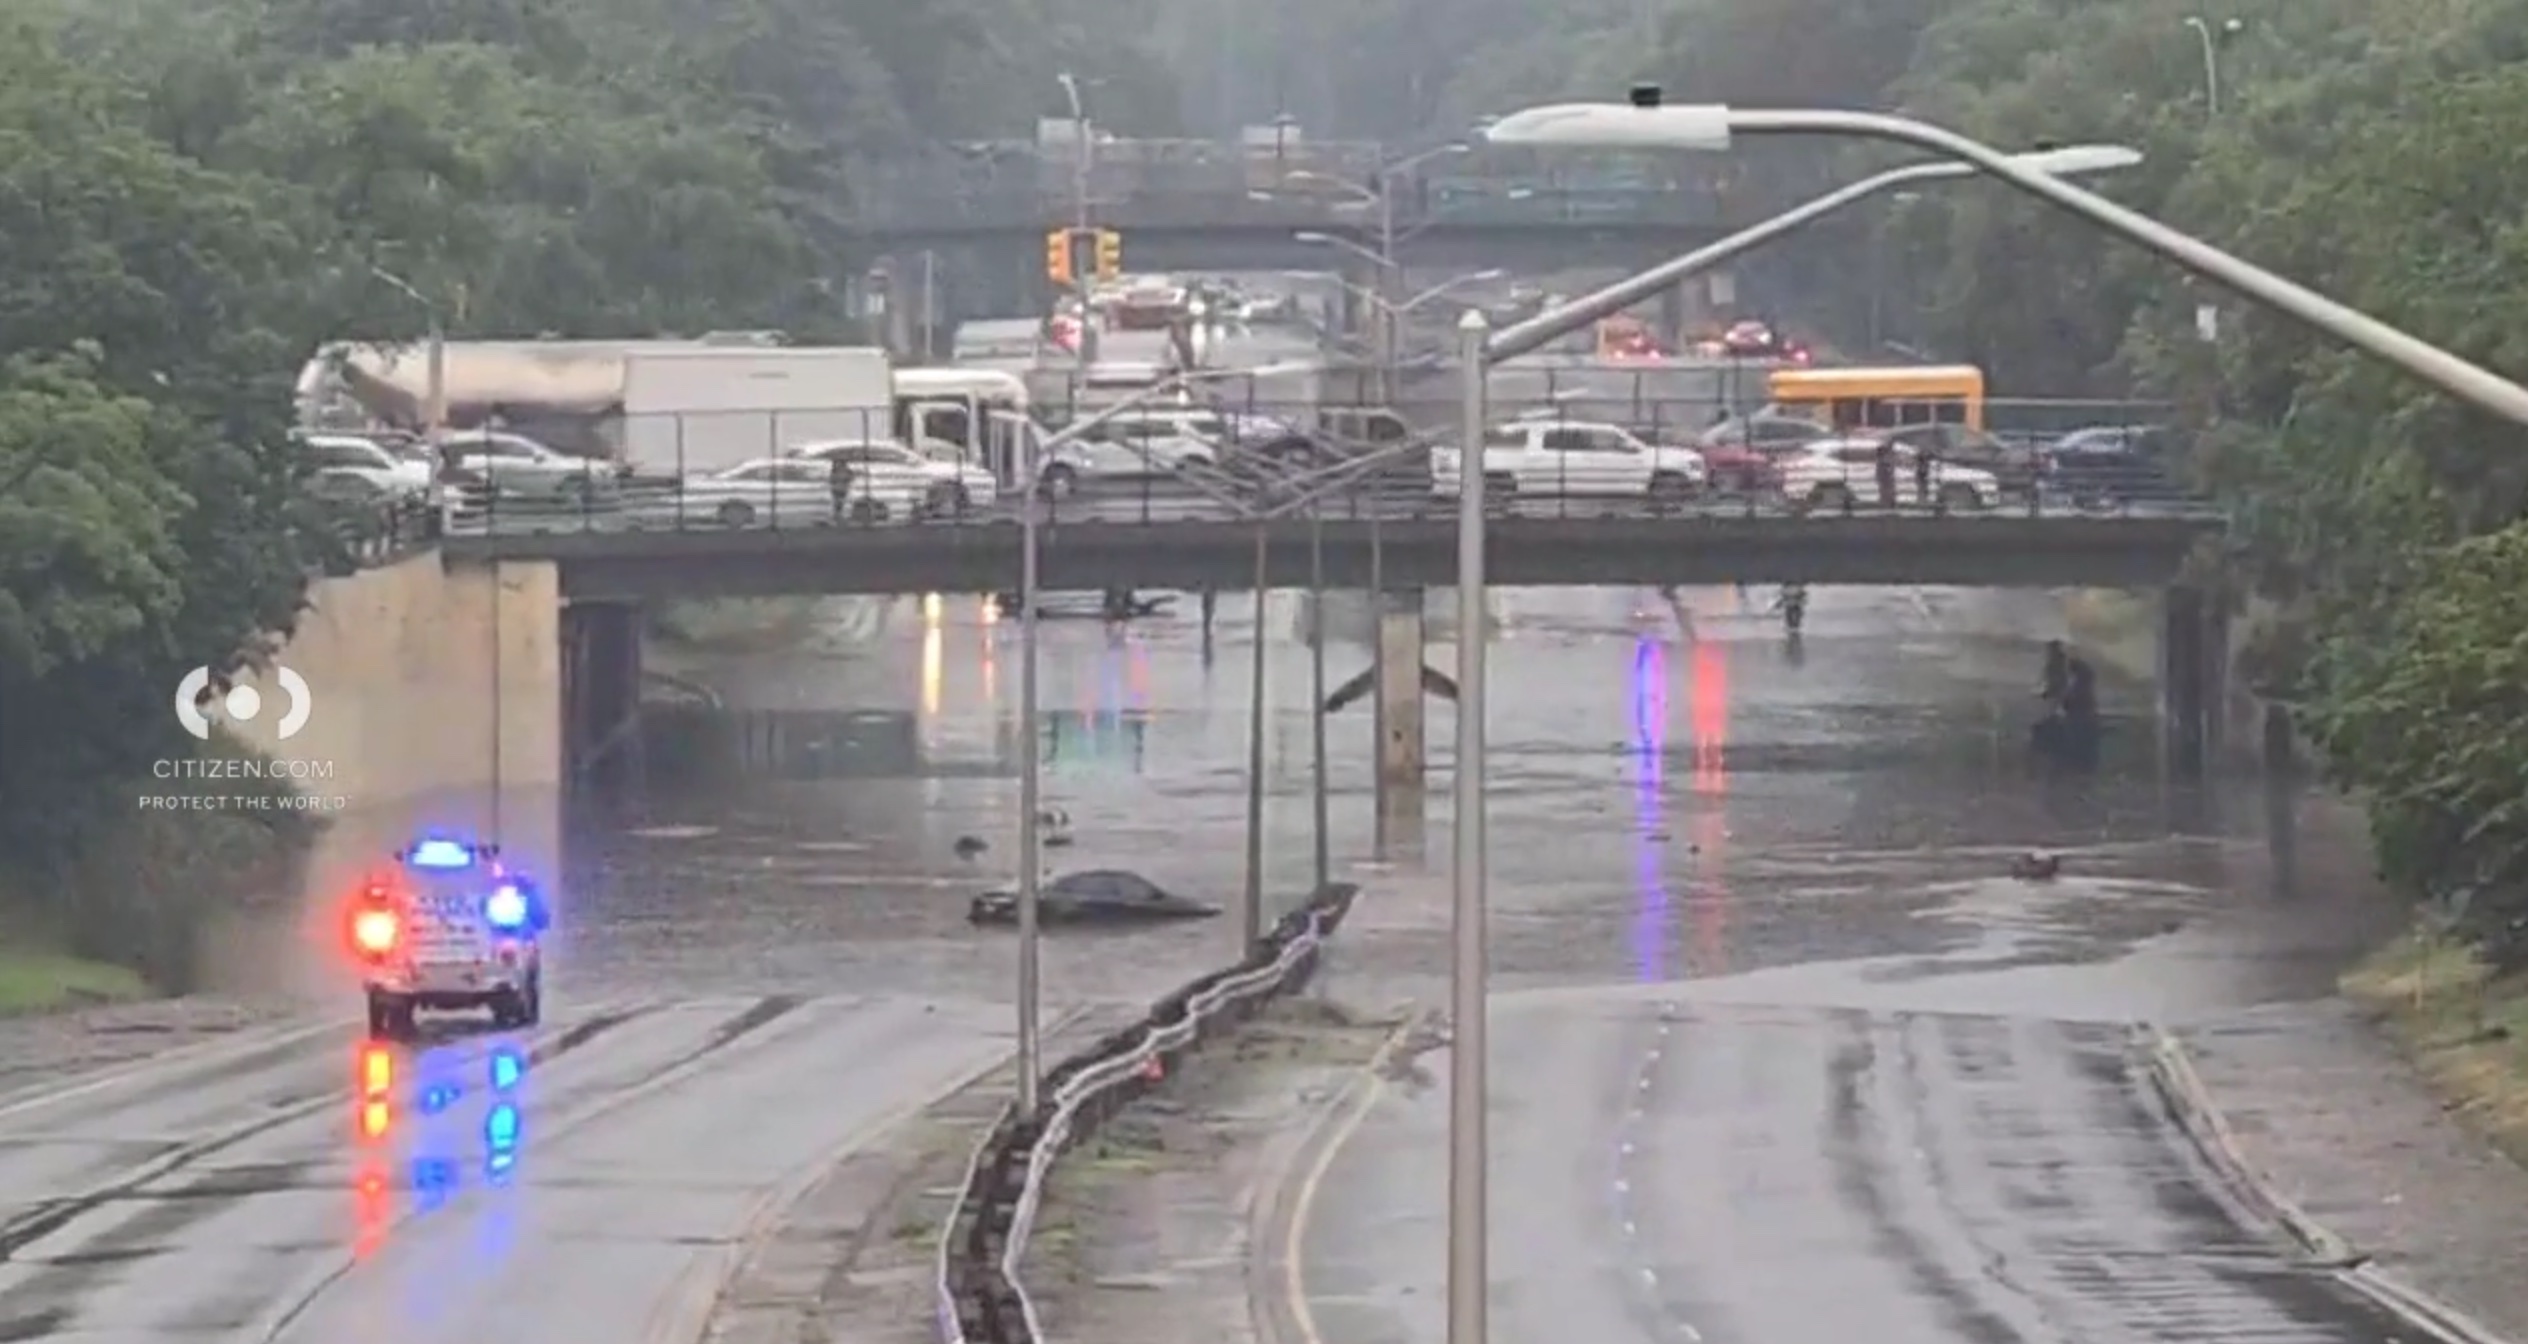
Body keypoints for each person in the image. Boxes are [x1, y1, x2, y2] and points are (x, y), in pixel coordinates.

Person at [1874, 439, 1898, 509]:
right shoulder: (1884, 458)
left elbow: (1889, 467)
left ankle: (1888, 503)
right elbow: (1887, 467)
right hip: (1885, 477)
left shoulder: (1887, 457)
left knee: (1886, 490)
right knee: (1886, 490)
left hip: (1886, 477)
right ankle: (1887, 503)